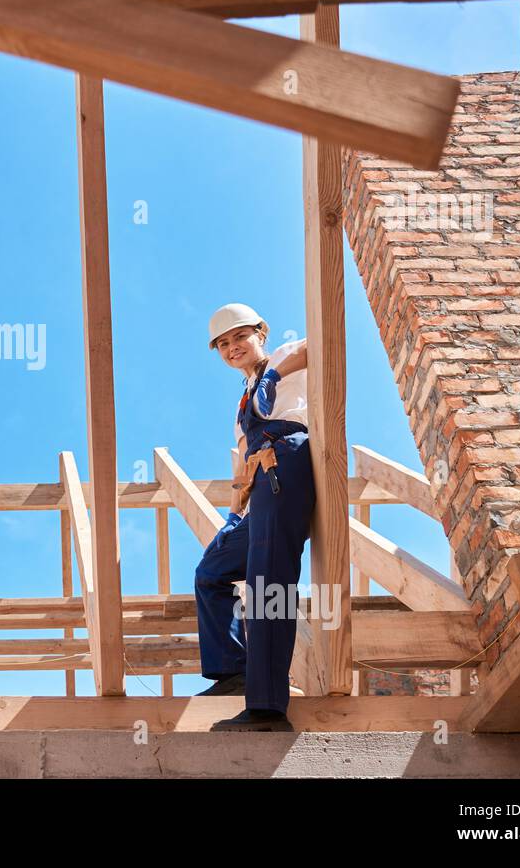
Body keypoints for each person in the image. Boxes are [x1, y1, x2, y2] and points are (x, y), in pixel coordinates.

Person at [194, 303, 315, 732]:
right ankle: (234, 672)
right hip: (260, 483)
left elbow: (323, 345)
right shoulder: (242, 403)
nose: (232, 348)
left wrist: (276, 373)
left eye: (240, 337)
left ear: (260, 333)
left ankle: (266, 706)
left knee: (268, 583)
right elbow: (242, 468)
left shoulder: (286, 355)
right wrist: (231, 516)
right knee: (210, 572)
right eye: (223, 344)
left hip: (287, 464)